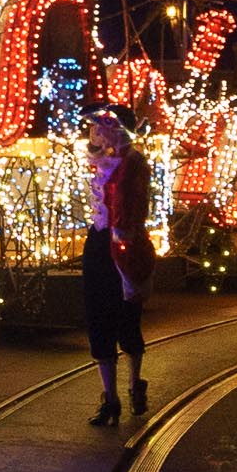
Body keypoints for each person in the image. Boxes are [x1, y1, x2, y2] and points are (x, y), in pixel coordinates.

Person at [79, 108, 154, 425]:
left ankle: (136, 383)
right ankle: (110, 398)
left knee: (127, 319)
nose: (95, 131)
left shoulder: (133, 163)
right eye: (94, 126)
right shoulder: (98, 162)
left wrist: (125, 243)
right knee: (99, 318)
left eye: (103, 126)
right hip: (99, 242)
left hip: (125, 246)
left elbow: (133, 206)